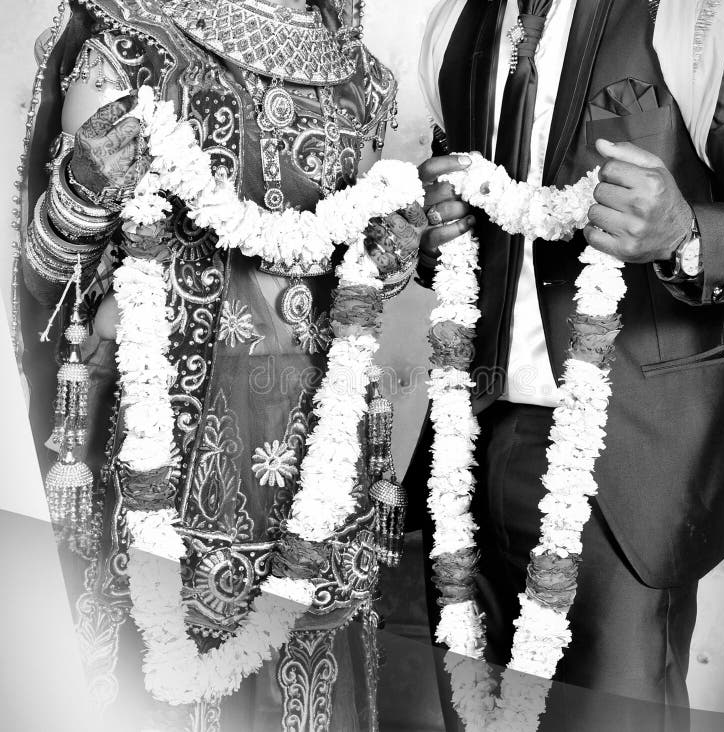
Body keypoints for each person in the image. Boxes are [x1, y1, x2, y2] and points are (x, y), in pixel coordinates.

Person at [16, 1, 467, 729]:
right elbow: (52, 276)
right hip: (174, 461)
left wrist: (387, 253)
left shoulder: (363, 78)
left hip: (323, 462)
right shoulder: (133, 52)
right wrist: (84, 191)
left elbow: (342, 272)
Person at [407, 0, 724, 729]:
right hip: (466, 452)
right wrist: (436, 234)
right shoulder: (454, 22)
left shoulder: (705, 13)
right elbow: (466, 240)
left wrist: (685, 232)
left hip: (629, 468)